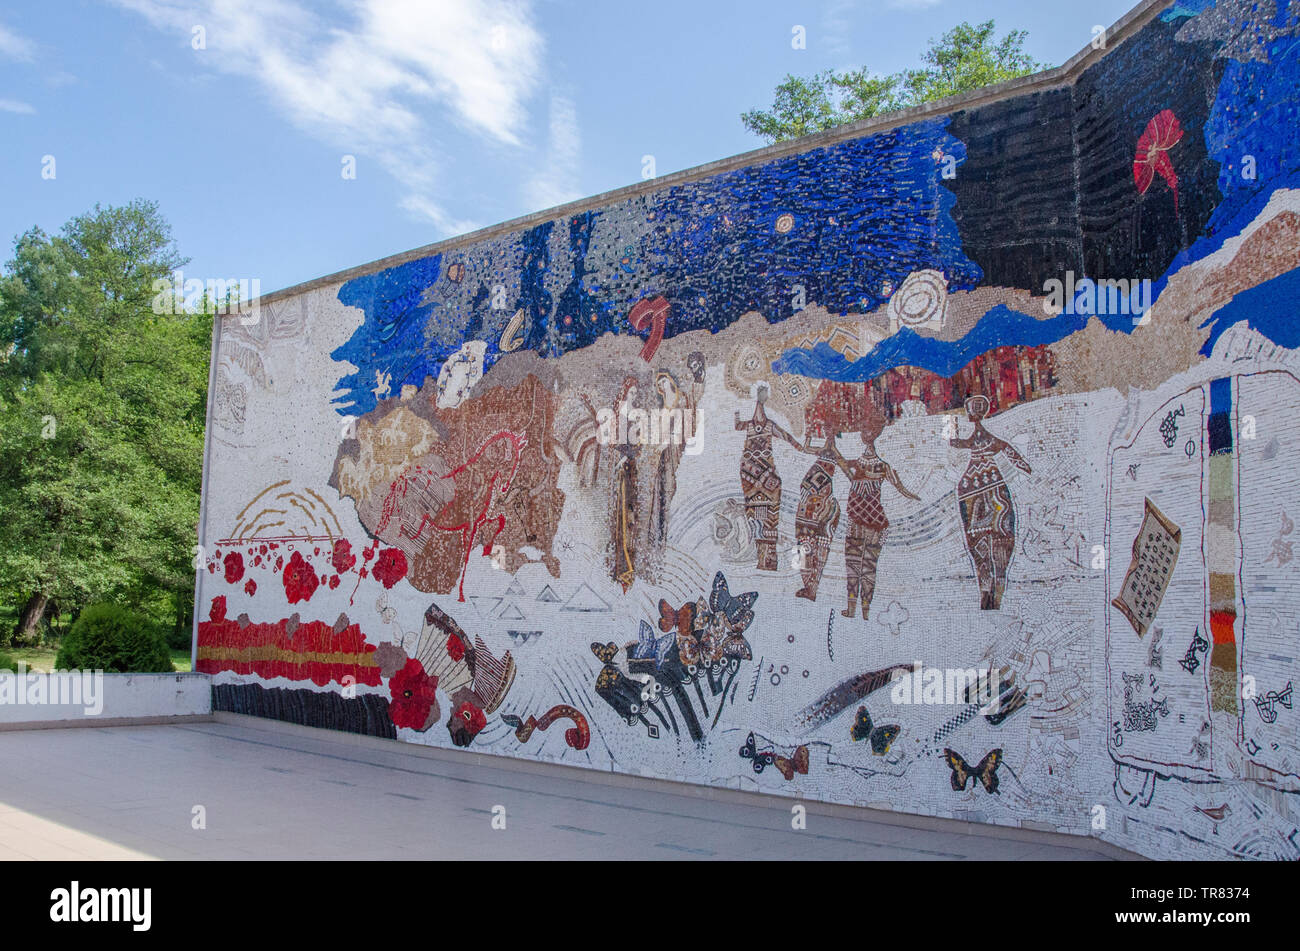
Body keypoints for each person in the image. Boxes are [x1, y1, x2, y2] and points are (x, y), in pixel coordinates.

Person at [834, 403, 920, 620]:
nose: (865, 433)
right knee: (862, 565)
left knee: (860, 565)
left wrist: (913, 496)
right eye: (864, 429)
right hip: (866, 521)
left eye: (868, 429)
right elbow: (842, 465)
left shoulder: (877, 466)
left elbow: (900, 487)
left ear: (875, 432)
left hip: (868, 522)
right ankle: (858, 610)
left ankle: (860, 610)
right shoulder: (868, 464)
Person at [948, 395, 1031, 610]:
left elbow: (954, 442)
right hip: (983, 489)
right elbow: (1009, 451)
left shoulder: (983, 438)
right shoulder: (988, 439)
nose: (970, 414)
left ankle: (989, 593)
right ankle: (991, 592)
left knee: (986, 540)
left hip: (977, 489)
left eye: (970, 410)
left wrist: (950, 419)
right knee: (991, 538)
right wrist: (1025, 467)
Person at [735, 383, 800, 571]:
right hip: (752, 475)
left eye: (764, 394)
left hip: (762, 475)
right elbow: (737, 425)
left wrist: (800, 447)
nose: (763, 397)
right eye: (761, 394)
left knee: (767, 514)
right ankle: (763, 558)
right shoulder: (751, 425)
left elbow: (787, 437)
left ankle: (768, 559)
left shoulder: (767, 425)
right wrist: (736, 411)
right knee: (757, 515)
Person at [794, 431, 842, 601]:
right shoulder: (825, 451)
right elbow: (806, 447)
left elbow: (847, 469)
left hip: (818, 507)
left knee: (814, 546)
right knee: (807, 545)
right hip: (811, 508)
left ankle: (812, 587)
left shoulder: (833, 452)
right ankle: (809, 586)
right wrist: (809, 435)